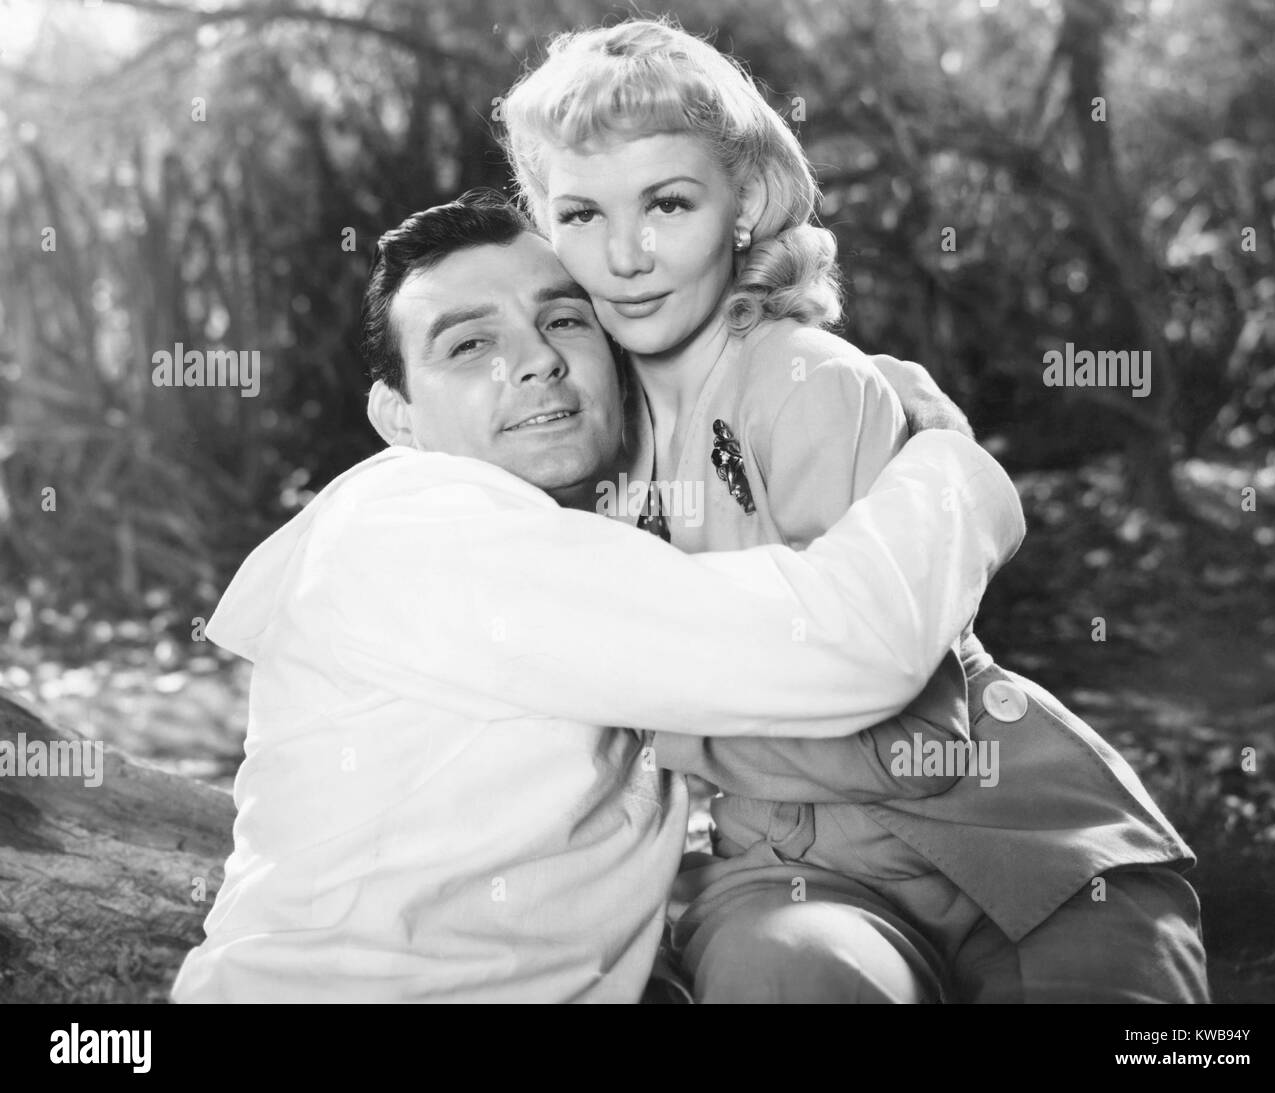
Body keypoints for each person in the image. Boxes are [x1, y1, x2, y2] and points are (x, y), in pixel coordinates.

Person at [500, 18, 1209, 1003]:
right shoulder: (579, 433)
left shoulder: (804, 377)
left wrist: (623, 713)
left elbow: (868, 724)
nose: (623, 255)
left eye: (666, 202)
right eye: (580, 214)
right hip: (787, 868)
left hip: (1007, 834)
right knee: (783, 976)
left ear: (743, 201)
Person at [170, 192, 1024, 1003]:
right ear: (397, 417)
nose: (536, 357)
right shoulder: (419, 527)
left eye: (563, 319)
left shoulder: (590, 540)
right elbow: (851, 647)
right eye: (468, 345)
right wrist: (950, 462)